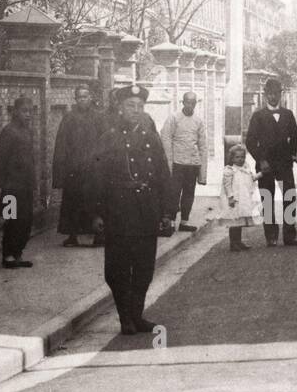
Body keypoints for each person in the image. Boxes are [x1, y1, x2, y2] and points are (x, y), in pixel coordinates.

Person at [94, 84, 176, 335]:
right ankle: (125, 318)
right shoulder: (109, 138)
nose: (136, 110)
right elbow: (97, 176)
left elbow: (163, 174)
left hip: (146, 211)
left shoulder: (151, 137)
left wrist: (167, 212)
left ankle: (136, 315)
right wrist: (97, 213)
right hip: (118, 211)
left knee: (144, 268)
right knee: (117, 269)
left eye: (140, 106)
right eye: (130, 105)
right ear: (120, 108)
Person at [244, 77, 297, 247]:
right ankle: (271, 236)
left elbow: (296, 136)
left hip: (284, 164)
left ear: (281, 94)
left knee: (289, 197)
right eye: (269, 94)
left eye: (276, 94)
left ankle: (289, 236)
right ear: (265, 95)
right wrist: (261, 160)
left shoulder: (288, 114)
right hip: (266, 165)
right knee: (267, 199)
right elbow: (250, 142)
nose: (273, 97)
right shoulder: (258, 116)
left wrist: (292, 153)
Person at [52, 85, 105, 247]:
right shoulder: (69, 118)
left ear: (91, 98)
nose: (83, 100)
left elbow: (105, 143)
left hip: (93, 170)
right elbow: (61, 145)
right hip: (74, 170)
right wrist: (60, 172)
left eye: (86, 96)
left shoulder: (98, 118)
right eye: (80, 97)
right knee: (73, 203)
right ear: (75, 100)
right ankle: (73, 235)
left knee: (94, 202)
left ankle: (98, 235)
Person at [0, 96, 38, 269]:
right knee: (11, 220)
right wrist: (0, 181)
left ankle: (18, 253)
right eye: (24, 111)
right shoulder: (8, 131)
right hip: (11, 187)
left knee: (25, 220)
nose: (28, 115)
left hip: (25, 186)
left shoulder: (28, 132)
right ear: (15, 112)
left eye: (30, 111)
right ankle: (8, 255)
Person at [160, 91, 209, 233]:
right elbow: (166, 137)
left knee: (189, 193)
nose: (190, 105)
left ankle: (184, 222)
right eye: (187, 102)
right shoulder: (174, 118)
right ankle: (171, 222)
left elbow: (202, 145)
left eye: (193, 102)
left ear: (195, 104)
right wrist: (169, 160)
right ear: (183, 102)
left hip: (192, 164)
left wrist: (202, 171)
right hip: (177, 163)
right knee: (174, 192)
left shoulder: (198, 121)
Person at [218, 143, 262, 252]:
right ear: (232, 158)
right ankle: (233, 243)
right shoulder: (230, 170)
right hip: (234, 200)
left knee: (240, 221)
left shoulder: (246, 169)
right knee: (234, 221)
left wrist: (262, 174)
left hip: (243, 200)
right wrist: (230, 197)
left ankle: (238, 241)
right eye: (237, 157)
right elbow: (227, 185)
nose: (240, 159)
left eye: (242, 157)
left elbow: (252, 178)